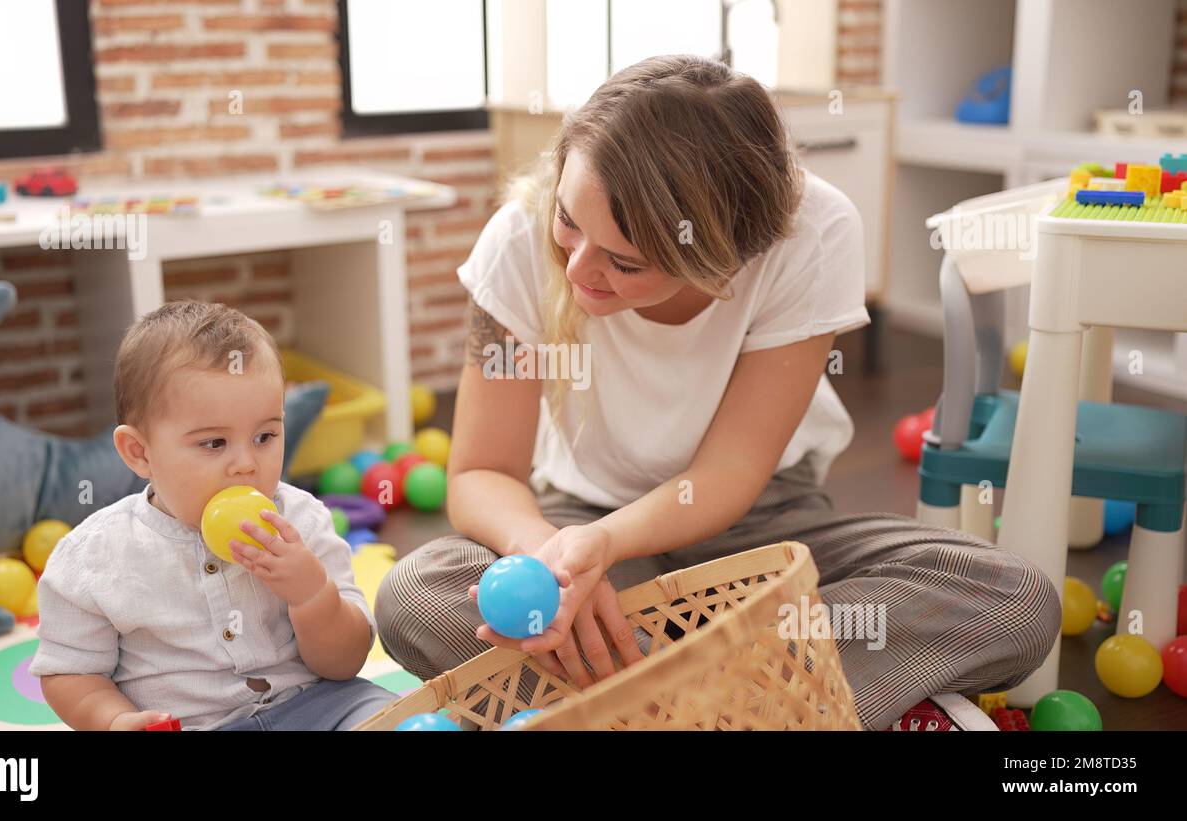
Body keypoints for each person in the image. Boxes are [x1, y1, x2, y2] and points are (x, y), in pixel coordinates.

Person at [376, 54, 1059, 730]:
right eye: (568, 220)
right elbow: (480, 471)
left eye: (626, 260)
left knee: (1012, 598)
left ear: (723, 258)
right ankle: (757, 700)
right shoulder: (518, 238)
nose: (578, 266)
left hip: (765, 522)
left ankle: (632, 702)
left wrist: (604, 555)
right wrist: (553, 559)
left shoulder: (814, 230)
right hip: (579, 523)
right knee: (416, 593)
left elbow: (728, 472)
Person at [30, 301, 394, 730]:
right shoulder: (92, 557)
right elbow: (71, 673)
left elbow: (345, 663)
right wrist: (114, 721)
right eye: (214, 443)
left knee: (389, 716)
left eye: (264, 436)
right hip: (195, 725)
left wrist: (312, 596)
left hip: (320, 705)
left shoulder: (302, 520)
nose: (246, 464)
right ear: (140, 452)